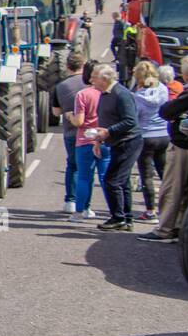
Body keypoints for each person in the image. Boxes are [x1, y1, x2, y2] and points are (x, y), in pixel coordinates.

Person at [142, 55, 188, 242]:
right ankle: (183, 228)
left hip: (184, 145)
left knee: (172, 188)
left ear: (186, 75)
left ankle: (165, 229)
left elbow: (166, 112)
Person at [88, 63, 142, 230]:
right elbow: (107, 120)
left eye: (94, 77)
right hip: (117, 142)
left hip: (128, 142)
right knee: (122, 182)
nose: (91, 80)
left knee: (112, 180)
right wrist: (99, 140)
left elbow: (130, 121)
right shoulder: (105, 94)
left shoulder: (121, 94)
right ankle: (126, 219)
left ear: (104, 79)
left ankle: (118, 218)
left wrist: (108, 132)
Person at [130, 62, 170, 221]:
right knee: (164, 173)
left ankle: (150, 211)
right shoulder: (163, 90)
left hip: (146, 136)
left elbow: (135, 118)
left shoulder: (137, 97)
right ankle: (168, 208)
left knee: (146, 175)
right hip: (163, 135)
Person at [68, 68, 109, 222]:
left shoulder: (83, 95)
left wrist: (70, 116)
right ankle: (114, 212)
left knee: (84, 178)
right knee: (106, 178)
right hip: (105, 138)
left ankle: (80, 211)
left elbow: (79, 122)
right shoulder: (109, 95)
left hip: (85, 140)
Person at [52, 51, 88, 214]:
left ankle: (70, 201)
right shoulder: (91, 85)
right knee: (88, 168)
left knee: (72, 166)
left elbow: (55, 112)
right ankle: (86, 205)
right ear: (83, 66)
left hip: (71, 132)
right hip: (91, 132)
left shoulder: (60, 86)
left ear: (67, 67)